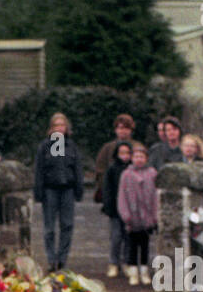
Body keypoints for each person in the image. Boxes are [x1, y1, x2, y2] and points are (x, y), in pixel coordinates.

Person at [32, 112, 84, 272]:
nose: (60, 128)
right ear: (51, 128)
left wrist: (78, 188)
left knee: (67, 225)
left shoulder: (71, 146)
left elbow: (77, 168)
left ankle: (62, 259)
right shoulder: (45, 146)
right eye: (57, 125)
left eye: (62, 125)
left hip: (67, 189)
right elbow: (40, 169)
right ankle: (51, 259)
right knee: (49, 228)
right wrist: (38, 191)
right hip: (50, 189)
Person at [118, 143, 158, 285]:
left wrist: (155, 216)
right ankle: (133, 272)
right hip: (132, 217)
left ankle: (144, 271)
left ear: (146, 158)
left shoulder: (152, 173)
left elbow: (155, 196)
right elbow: (122, 196)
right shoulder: (126, 174)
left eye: (142, 156)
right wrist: (126, 215)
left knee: (145, 246)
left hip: (146, 217)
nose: (139, 159)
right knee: (132, 246)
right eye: (136, 156)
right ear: (132, 158)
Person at [101, 140, 133, 278]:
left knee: (128, 237)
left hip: (130, 209)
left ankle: (126, 262)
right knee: (116, 236)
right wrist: (108, 205)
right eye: (122, 153)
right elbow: (107, 189)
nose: (124, 156)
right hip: (115, 208)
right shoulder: (112, 169)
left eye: (127, 153)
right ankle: (113, 263)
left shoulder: (133, 169)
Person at [93, 113, 136, 201]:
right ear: (116, 129)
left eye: (126, 128)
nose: (123, 131)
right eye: (120, 128)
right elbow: (100, 169)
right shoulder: (107, 148)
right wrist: (106, 186)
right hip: (113, 192)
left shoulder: (137, 147)